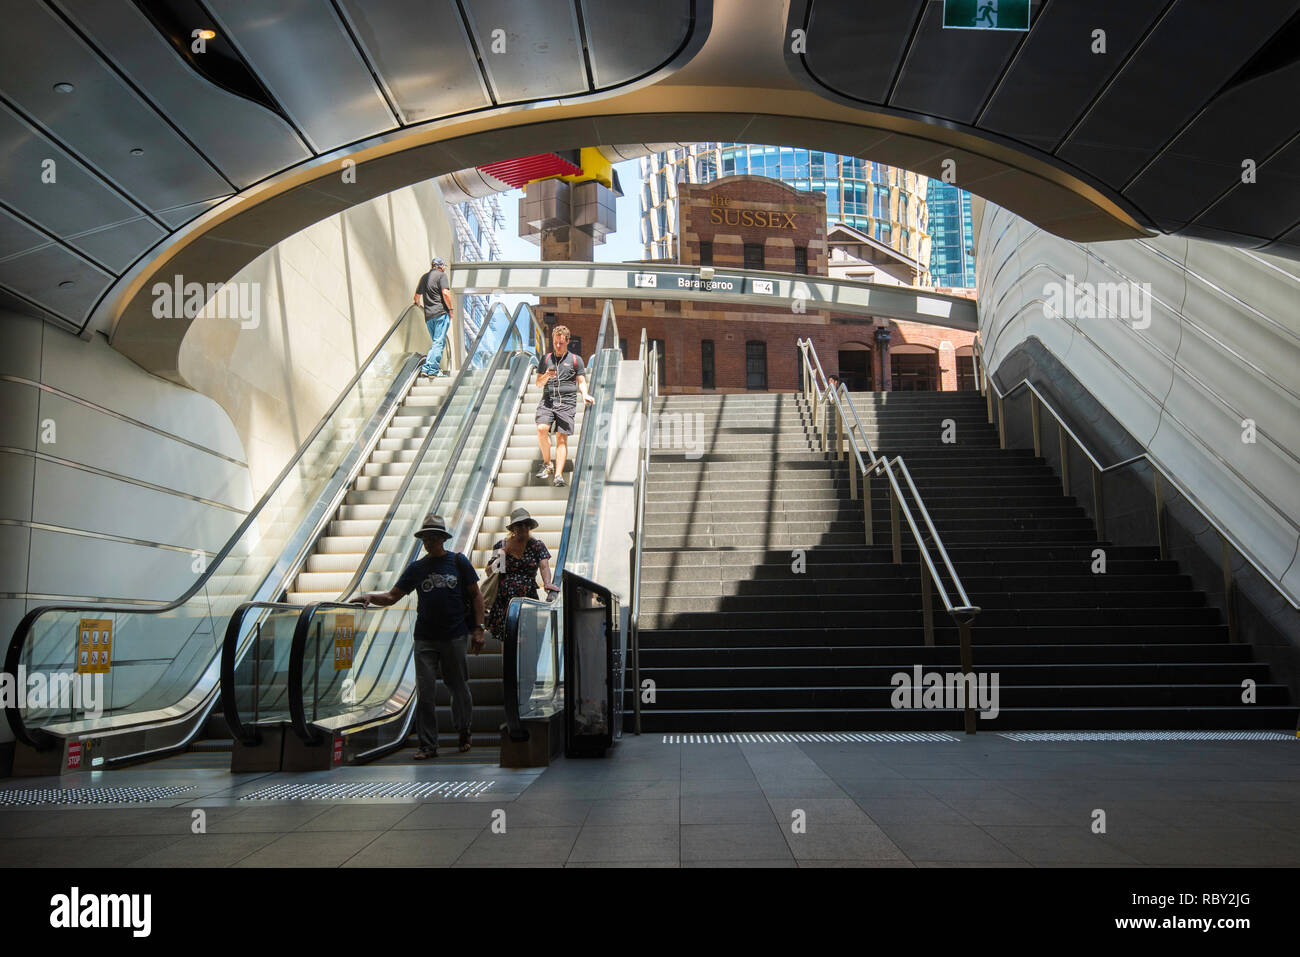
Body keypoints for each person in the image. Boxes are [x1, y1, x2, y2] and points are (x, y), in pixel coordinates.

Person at [351, 511, 484, 758]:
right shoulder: (417, 568)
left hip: (455, 635)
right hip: (425, 637)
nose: (428, 541)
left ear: (442, 539)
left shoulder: (458, 561)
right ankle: (428, 745)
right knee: (425, 693)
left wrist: (478, 628)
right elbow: (392, 596)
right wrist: (370, 596)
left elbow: (476, 595)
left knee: (458, 687)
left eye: (433, 537)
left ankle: (464, 730)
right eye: (425, 537)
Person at [534, 324, 595, 487]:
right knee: (541, 429)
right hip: (548, 400)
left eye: (561, 343)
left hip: (567, 403)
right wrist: (547, 375)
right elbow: (538, 384)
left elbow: (581, 381)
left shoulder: (576, 360)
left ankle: (559, 475)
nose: (558, 346)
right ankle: (547, 464)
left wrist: (585, 394)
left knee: (561, 438)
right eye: (555, 342)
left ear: (567, 341)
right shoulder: (546, 359)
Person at [486, 507, 559, 642]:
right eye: (519, 524)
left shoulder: (536, 545)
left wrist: (547, 582)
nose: (524, 527)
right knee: (507, 637)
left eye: (527, 524)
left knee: (528, 637)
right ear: (513, 528)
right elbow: (490, 571)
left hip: (527, 597)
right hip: (505, 599)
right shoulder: (501, 545)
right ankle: (508, 663)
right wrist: (503, 554)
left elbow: (544, 566)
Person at [413, 257, 454, 378]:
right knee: (438, 342)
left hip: (429, 316)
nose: (444, 269)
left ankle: (430, 369)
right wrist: (451, 309)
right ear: (441, 266)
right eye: (444, 267)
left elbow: (416, 296)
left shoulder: (424, 277)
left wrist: (418, 303)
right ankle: (431, 369)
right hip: (441, 314)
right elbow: (445, 293)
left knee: (438, 343)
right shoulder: (442, 276)